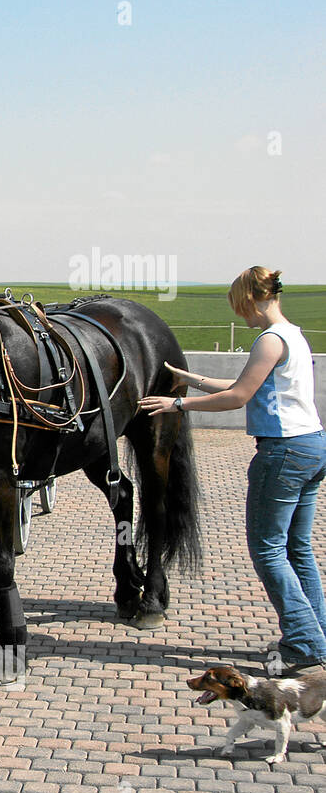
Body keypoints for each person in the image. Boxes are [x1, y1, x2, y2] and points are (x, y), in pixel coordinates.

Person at [140, 266, 326, 676]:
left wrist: (178, 405)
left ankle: (303, 643)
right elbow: (248, 382)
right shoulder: (293, 335)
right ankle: (317, 635)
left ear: (250, 298)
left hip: (282, 453)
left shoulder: (269, 339)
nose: (241, 316)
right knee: (298, 549)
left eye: (240, 306)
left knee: (269, 551)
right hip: (312, 446)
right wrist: (192, 379)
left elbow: (240, 396)